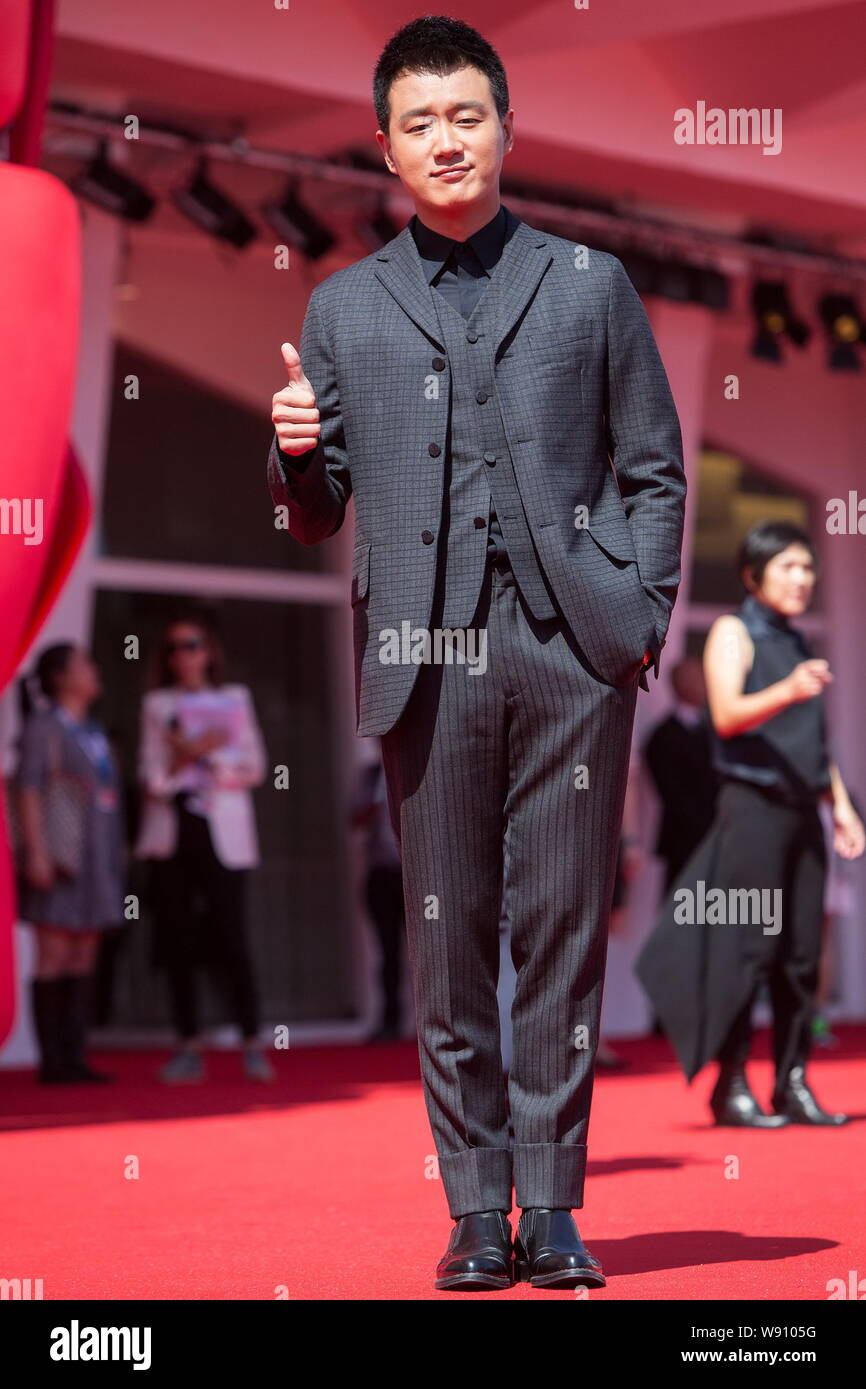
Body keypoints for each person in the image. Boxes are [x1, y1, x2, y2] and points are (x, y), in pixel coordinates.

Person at [267, 17, 685, 1289]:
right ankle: (471, 1210)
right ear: (387, 149)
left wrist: (637, 610)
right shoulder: (341, 310)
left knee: (560, 930)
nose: (445, 140)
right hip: (423, 656)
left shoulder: (588, 283)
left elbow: (656, 470)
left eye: (465, 115)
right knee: (447, 942)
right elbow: (318, 505)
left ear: (505, 126)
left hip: (572, 653)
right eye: (418, 124)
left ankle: (551, 1211)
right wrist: (289, 448)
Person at [636, 521, 864, 1128]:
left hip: (801, 811)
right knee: (747, 948)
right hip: (750, 811)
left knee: (801, 957)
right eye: (789, 567)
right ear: (752, 574)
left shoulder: (796, 643)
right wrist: (787, 689)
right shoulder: (733, 632)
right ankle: (731, 1084)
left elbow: (815, 743)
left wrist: (840, 805)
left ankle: (792, 1082)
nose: (802, 579)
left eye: (808, 568)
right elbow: (728, 715)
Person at [134, 612, 273, 1083]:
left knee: (233, 936)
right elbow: (151, 777)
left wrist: (206, 753)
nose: (183, 654)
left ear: (208, 650)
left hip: (223, 833)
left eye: (192, 644)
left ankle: (253, 1042)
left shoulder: (234, 699)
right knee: (178, 939)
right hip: (175, 831)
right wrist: (182, 754)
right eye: (173, 647)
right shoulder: (157, 705)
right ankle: (188, 1043)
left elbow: (253, 767)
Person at [16, 643, 125, 1084]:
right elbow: (29, 788)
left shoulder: (93, 730)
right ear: (60, 677)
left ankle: (74, 1056)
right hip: (60, 855)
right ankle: (53, 1061)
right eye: (85, 665)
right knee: (54, 950)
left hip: (96, 853)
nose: (94, 671)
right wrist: (37, 852)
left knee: (85, 949)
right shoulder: (44, 728)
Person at [643, 658, 718, 891]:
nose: (704, 685)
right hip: (683, 839)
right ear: (679, 685)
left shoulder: (713, 730)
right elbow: (671, 792)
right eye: (697, 679)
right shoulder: (663, 736)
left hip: (714, 836)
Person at [351, 744, 406, 1041]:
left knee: (425, 957)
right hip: (381, 873)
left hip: (414, 874)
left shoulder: (418, 764)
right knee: (387, 953)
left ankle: (427, 1024)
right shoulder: (371, 776)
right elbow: (354, 819)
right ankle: (390, 1021)